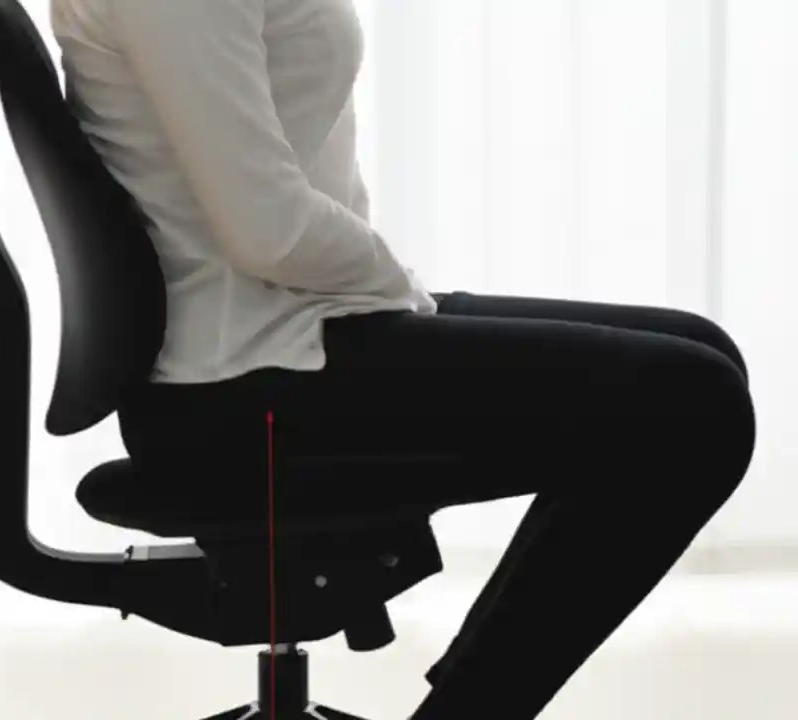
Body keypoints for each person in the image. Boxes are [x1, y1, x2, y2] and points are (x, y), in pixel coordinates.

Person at [51, 1, 756, 718]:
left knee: (704, 356)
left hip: (287, 329)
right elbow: (270, 231)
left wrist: (397, 297)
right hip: (242, 385)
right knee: (694, 405)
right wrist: (402, 293)